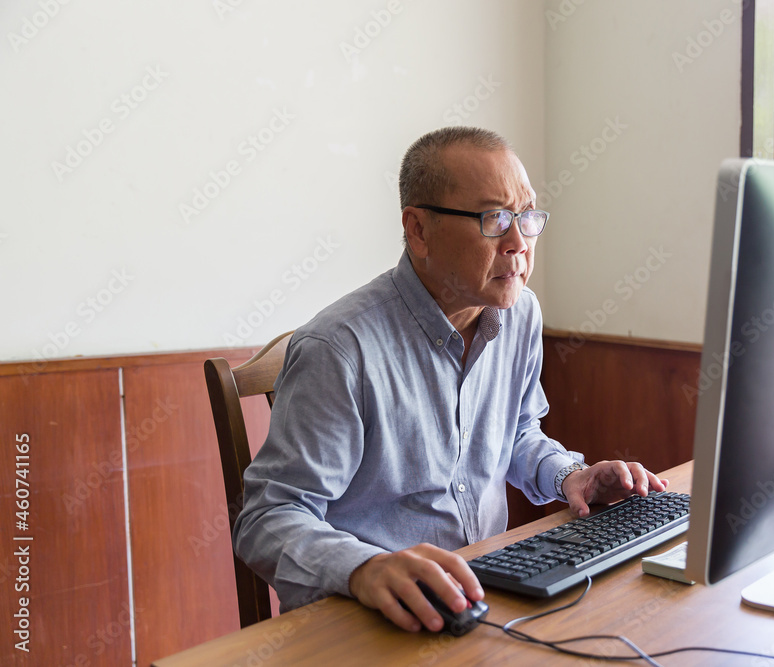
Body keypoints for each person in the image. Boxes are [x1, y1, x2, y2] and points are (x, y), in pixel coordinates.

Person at [233, 126, 668, 633]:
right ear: (418, 230)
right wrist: (364, 569)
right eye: (494, 219)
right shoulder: (339, 349)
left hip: (479, 596)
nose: (518, 243)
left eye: (526, 217)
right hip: (362, 617)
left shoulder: (519, 314)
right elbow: (268, 516)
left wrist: (571, 476)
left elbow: (517, 433)